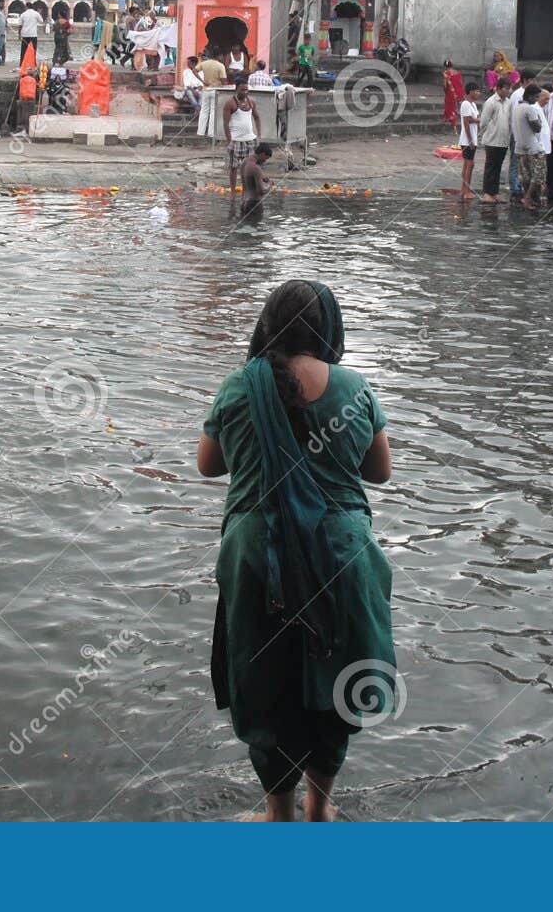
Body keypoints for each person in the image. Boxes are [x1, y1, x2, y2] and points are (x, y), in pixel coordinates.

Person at [198, 280, 393, 823]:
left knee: (264, 684)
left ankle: (276, 810)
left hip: (255, 555)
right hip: (343, 556)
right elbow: (378, 473)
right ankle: (321, 808)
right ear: (330, 330)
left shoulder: (240, 387)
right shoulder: (356, 389)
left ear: (264, 326)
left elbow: (208, 466)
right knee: (339, 680)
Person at [512, 83, 550, 209]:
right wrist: (539, 121)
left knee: (526, 176)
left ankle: (528, 198)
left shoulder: (517, 107)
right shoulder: (530, 109)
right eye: (536, 97)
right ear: (529, 96)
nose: (537, 99)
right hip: (533, 148)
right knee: (538, 175)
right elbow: (537, 128)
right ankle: (528, 198)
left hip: (520, 147)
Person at [478, 78, 514, 202]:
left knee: (498, 167)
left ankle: (494, 192)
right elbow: (483, 121)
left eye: (509, 88)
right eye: (506, 88)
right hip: (492, 140)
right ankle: (487, 193)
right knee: (490, 166)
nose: (508, 91)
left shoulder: (509, 102)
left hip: (503, 140)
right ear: (498, 88)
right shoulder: (491, 102)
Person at [223, 82, 261, 192]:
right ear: (236, 89)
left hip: (250, 140)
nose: (245, 92)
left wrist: (259, 135)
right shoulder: (230, 103)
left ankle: (247, 190)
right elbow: (225, 124)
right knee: (234, 168)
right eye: (242, 90)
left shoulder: (251, 102)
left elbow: (257, 117)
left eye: (246, 90)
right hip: (236, 141)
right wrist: (229, 140)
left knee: (249, 167)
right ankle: (233, 192)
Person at [456, 81, 481, 201]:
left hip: (473, 138)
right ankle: (466, 191)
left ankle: (463, 189)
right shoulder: (465, 104)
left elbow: (473, 119)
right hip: (467, 139)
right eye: (476, 91)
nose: (478, 93)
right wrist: (470, 140)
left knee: (469, 164)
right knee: (468, 164)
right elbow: (467, 122)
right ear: (470, 92)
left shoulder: (473, 105)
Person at [241, 142, 273, 216]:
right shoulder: (256, 168)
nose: (265, 161)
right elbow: (261, 191)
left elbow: (247, 180)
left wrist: (261, 178)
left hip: (244, 202)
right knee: (255, 226)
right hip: (254, 205)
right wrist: (269, 184)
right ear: (262, 154)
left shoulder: (244, 162)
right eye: (266, 158)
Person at [441, 58, 464, 129]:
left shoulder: (445, 73)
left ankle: (454, 125)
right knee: (454, 105)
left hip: (451, 92)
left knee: (450, 105)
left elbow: (445, 85)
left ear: (445, 66)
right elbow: (461, 82)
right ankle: (446, 117)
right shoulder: (458, 72)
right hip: (459, 92)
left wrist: (445, 90)